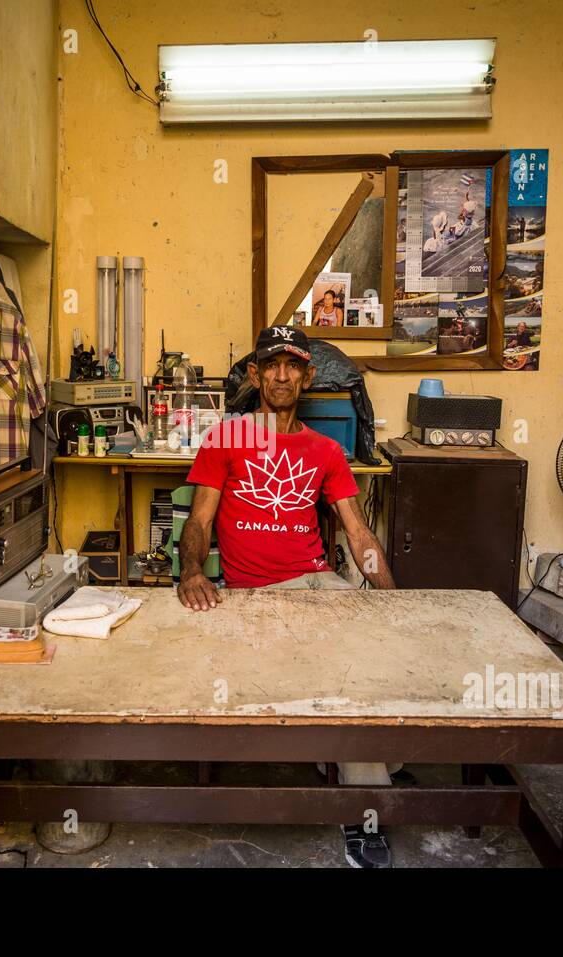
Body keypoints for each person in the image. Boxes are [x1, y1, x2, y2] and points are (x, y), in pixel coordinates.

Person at [178, 326, 400, 869]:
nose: (281, 375)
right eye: (271, 365)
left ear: (307, 376)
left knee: (366, 662)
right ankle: (367, 772)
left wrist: (396, 600)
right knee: (335, 677)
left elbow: (358, 532)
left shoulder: (325, 449)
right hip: (253, 594)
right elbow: (199, 521)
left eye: (292, 365)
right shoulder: (226, 439)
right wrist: (190, 572)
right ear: (255, 375)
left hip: (316, 583)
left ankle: (365, 803)